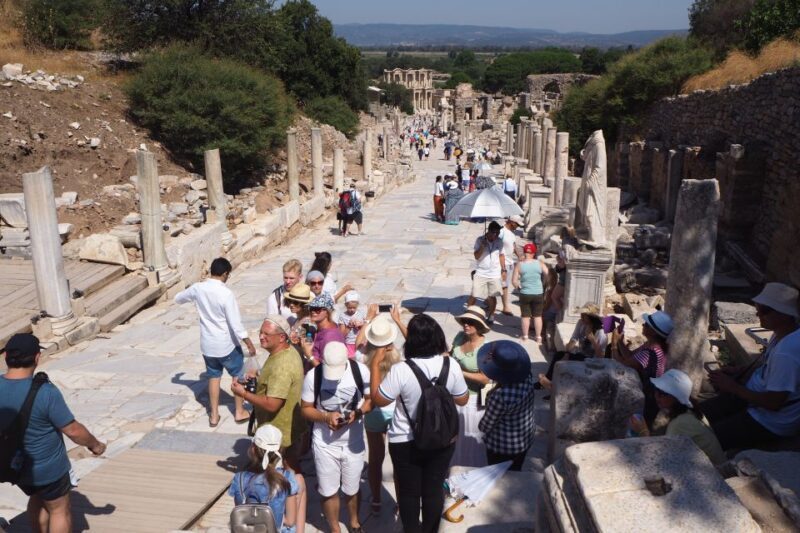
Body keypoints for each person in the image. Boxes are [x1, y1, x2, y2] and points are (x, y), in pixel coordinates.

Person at [368, 314, 469, 533]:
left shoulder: (401, 370)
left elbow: (378, 399)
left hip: (405, 440)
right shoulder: (450, 365)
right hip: (442, 438)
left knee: (408, 493)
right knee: (433, 490)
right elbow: (463, 399)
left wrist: (375, 365)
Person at [0, 334, 106, 533]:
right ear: (37, 357)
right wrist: (95, 445)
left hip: (15, 467)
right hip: (47, 469)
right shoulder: (45, 392)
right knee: (59, 509)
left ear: (6, 356)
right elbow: (73, 430)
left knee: (37, 499)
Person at [231, 315, 307, 533]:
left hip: (281, 433)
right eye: (260, 332)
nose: (261, 337)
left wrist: (243, 393)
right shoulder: (283, 352)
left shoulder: (282, 365)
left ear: (282, 337)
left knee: (291, 479)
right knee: (291, 478)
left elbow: (273, 404)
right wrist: (257, 380)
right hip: (284, 429)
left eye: (266, 334)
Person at [701, 283, 800, 451]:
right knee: (698, 412)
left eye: (765, 311)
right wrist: (737, 371)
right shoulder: (782, 332)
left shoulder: (787, 354)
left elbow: (773, 403)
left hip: (771, 421)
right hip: (753, 396)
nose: (757, 314)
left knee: (705, 440)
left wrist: (732, 387)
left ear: (785, 314)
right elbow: (767, 364)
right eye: (758, 308)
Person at [174, 257, 256, 427]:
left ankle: (214, 415)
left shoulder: (198, 288)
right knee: (238, 375)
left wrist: (178, 378)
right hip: (226, 345)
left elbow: (178, 298)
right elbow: (235, 323)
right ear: (225, 273)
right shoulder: (226, 294)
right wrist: (248, 342)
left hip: (207, 345)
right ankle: (240, 412)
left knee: (213, 377)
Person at [301, 342, 370, 533]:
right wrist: (325, 417)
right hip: (324, 444)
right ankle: (334, 529)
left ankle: (354, 523)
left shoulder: (360, 371)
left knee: (352, 488)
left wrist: (358, 413)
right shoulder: (313, 376)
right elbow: (305, 408)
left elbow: (370, 399)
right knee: (328, 490)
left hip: (353, 444)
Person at [355, 310, 402, 512]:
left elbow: (358, 343)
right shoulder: (399, 356)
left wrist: (368, 319)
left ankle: (375, 499)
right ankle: (401, 502)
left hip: (373, 410)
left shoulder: (362, 356)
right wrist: (398, 321)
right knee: (400, 460)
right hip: (396, 411)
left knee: (375, 459)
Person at [629, 370, 726, 465]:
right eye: (656, 389)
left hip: (714, 474)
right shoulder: (691, 411)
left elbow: (663, 459)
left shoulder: (680, 423)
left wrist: (643, 432)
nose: (657, 395)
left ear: (677, 398)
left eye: (663, 393)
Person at [477, 340, 536, 471]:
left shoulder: (500, 396)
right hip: (525, 438)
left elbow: (485, 426)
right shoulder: (527, 377)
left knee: (498, 475)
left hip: (502, 446)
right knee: (516, 469)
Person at [229, 424, 299, 532]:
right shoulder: (286, 478)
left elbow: (241, 511)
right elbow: (290, 521)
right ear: (280, 449)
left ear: (253, 449)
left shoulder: (239, 478)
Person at [613, 310, 672, 428]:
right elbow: (630, 356)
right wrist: (620, 341)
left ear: (654, 332)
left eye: (646, 324)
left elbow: (624, 364)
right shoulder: (650, 345)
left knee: (639, 428)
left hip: (648, 397)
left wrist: (614, 344)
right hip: (649, 393)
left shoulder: (651, 352)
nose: (643, 325)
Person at [450, 306, 490, 467]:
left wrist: (460, 372)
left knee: (470, 442)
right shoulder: (459, 337)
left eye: (471, 322)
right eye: (465, 321)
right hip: (454, 396)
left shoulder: (485, 349)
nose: (466, 325)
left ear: (479, 326)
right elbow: (451, 353)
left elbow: (485, 379)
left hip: (473, 400)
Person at [539, 303, 607, 390]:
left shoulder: (601, 332)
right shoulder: (581, 323)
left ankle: (554, 388)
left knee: (572, 362)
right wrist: (567, 353)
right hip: (580, 355)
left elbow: (601, 356)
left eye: (584, 315)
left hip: (592, 361)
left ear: (591, 317)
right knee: (559, 355)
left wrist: (592, 339)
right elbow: (574, 338)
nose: (581, 317)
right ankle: (548, 380)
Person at [468, 221, 506, 322]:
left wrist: (503, 269)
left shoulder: (499, 242)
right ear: (489, 231)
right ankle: (469, 312)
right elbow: (476, 256)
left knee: (492, 296)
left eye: (498, 233)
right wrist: (482, 246)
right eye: (495, 233)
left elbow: (501, 255)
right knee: (475, 294)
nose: (497, 235)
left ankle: (491, 315)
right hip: (481, 272)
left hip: (494, 273)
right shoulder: (480, 240)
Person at [513, 243, 549, 342]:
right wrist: (544, 284)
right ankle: (538, 337)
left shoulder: (519, 265)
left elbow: (514, 281)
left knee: (525, 316)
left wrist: (519, 288)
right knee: (537, 316)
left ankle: (525, 336)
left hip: (525, 292)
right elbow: (548, 274)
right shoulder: (540, 263)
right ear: (534, 253)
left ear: (524, 252)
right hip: (538, 292)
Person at [303, 293, 346, 368]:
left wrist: (309, 355)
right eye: (311, 308)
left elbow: (328, 369)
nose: (313, 311)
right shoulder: (325, 328)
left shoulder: (330, 336)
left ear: (327, 312)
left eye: (317, 309)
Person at [499, 216, 523, 316]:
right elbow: (499, 249)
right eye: (516, 224)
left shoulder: (511, 233)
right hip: (502, 263)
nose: (517, 227)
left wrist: (519, 256)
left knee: (504, 284)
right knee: (504, 285)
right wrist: (503, 267)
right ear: (511, 222)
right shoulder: (501, 232)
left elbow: (513, 246)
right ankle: (505, 306)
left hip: (510, 262)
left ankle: (489, 300)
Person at [337, 291, 366, 358]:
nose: (352, 310)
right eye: (350, 308)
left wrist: (361, 325)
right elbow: (342, 334)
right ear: (346, 305)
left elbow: (365, 328)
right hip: (349, 343)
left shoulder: (361, 314)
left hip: (360, 342)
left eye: (354, 308)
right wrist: (349, 326)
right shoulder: (343, 316)